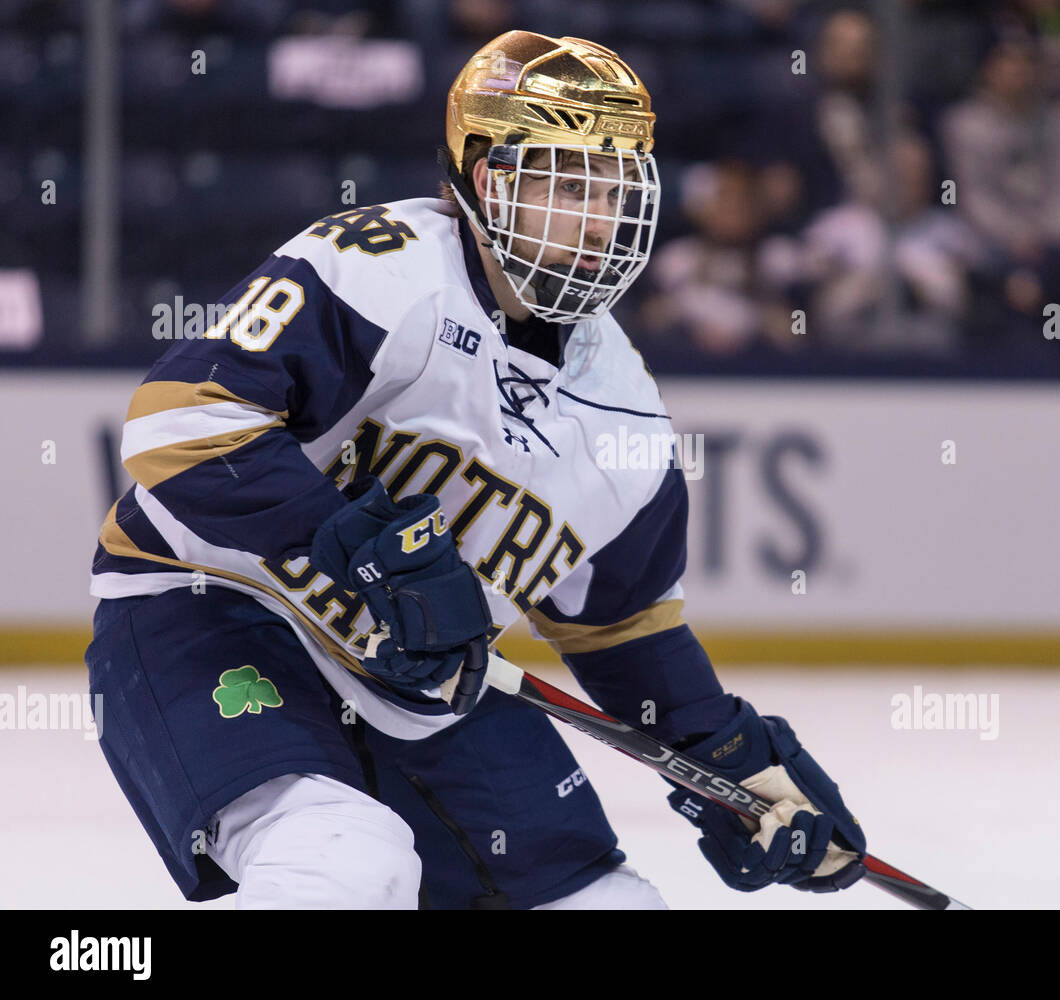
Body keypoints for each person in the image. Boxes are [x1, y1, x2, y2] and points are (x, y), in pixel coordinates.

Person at [84, 30, 866, 909]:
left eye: (610, 185)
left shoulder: (630, 421)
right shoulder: (380, 269)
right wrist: (354, 544)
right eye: (565, 181)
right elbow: (182, 419)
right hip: (213, 609)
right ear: (487, 177)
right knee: (346, 865)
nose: (595, 214)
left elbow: (622, 629)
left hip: (422, 691)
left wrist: (734, 761)